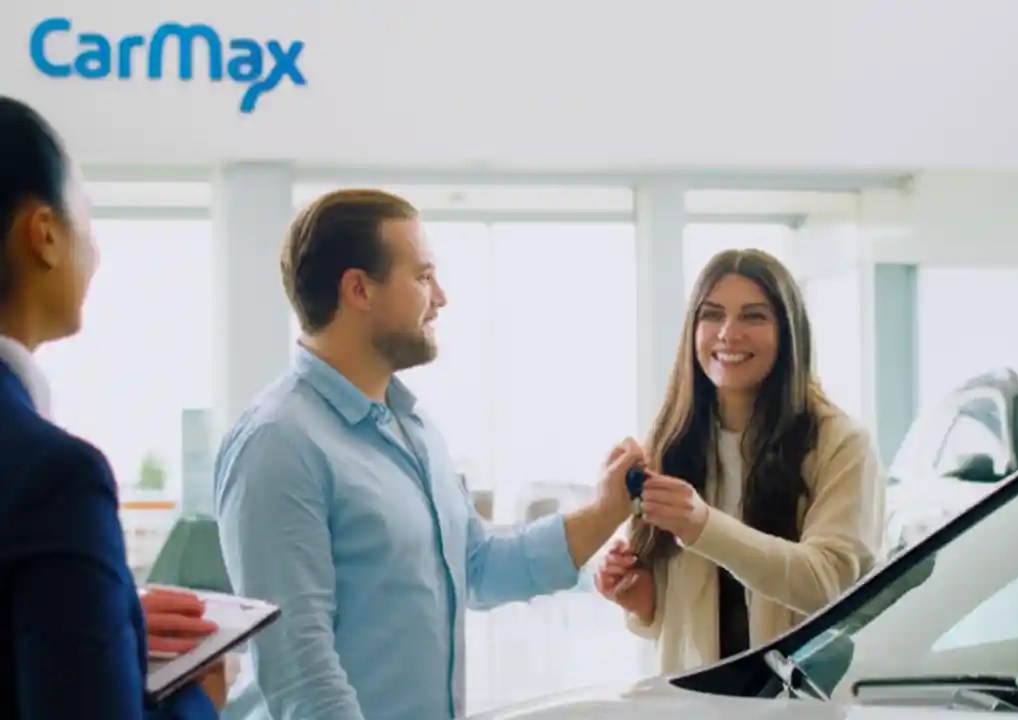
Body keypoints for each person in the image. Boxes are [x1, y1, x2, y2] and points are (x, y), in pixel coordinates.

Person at [213, 188, 642, 720]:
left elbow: (477, 567)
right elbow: (300, 673)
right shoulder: (277, 443)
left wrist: (606, 511)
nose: (440, 296)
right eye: (422, 276)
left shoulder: (412, 426)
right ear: (359, 290)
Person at [0, 95, 226, 718]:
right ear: (43, 233)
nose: (94, 254)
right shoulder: (54, 477)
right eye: (87, 221)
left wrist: (104, 623)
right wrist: (192, 701)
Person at [594, 248, 885, 673]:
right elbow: (670, 621)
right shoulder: (671, 440)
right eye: (712, 314)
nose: (729, 333)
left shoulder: (843, 444)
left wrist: (702, 526)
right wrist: (640, 601)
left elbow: (828, 585)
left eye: (753, 316)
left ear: (788, 333)